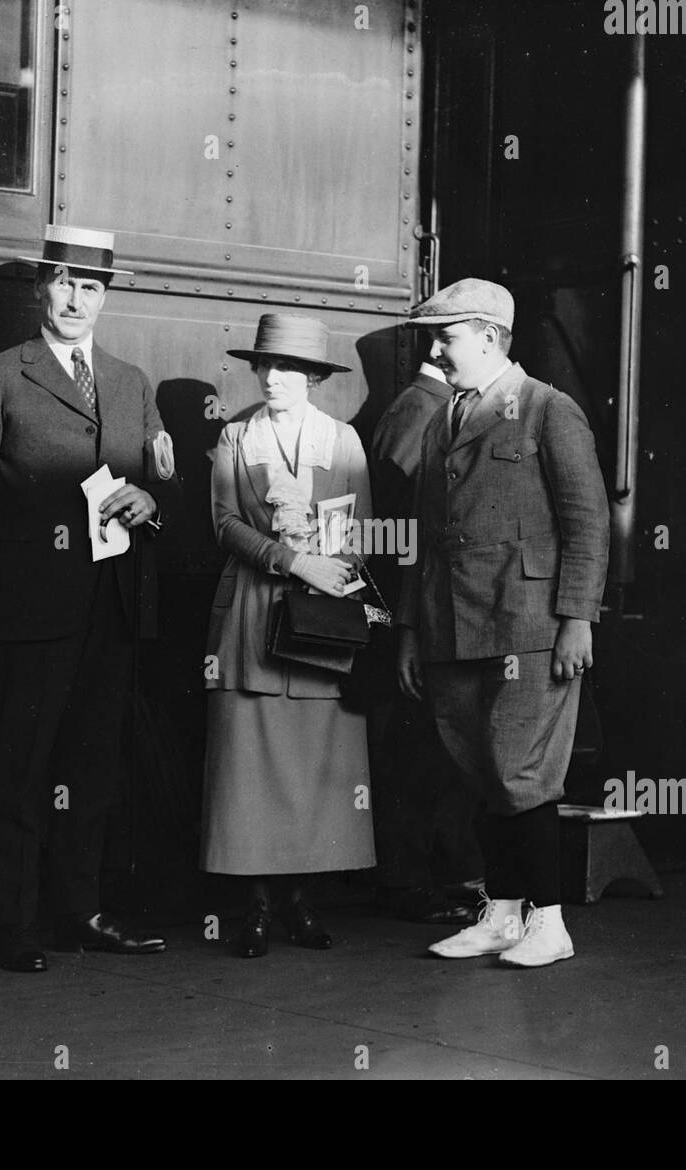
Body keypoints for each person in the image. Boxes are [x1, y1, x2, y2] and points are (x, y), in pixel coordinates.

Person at [0, 224, 176, 972]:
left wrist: (150, 501)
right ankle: (14, 925)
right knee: (19, 768)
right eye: (67, 283)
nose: (78, 299)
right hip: (29, 612)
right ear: (42, 290)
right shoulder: (0, 377)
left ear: (105, 298)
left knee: (94, 770)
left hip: (110, 606)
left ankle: (82, 912)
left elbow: (150, 483)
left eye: (93, 287)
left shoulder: (132, 381)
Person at [397, 278, 610, 968]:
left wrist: (577, 618)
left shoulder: (550, 411)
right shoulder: (443, 421)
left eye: (447, 336)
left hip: (529, 625)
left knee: (523, 771)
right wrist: (408, 630)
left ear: (489, 338)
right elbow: (424, 537)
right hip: (450, 626)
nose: (436, 349)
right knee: (482, 771)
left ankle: (549, 923)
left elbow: (587, 523)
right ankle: (503, 913)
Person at [201, 313, 376, 957]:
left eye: (291, 369)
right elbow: (222, 524)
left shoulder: (344, 440)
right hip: (251, 608)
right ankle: (252, 909)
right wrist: (290, 559)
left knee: (315, 764)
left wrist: (337, 560)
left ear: (314, 378)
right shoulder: (235, 438)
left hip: (322, 615)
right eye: (267, 366)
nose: (275, 378)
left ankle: (301, 903)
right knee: (248, 762)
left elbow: (364, 528)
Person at [369, 360, 483, 926]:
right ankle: (410, 883)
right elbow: (401, 529)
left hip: (419, 611)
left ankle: (425, 877)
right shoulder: (427, 409)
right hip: (416, 612)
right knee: (417, 752)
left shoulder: (420, 404)